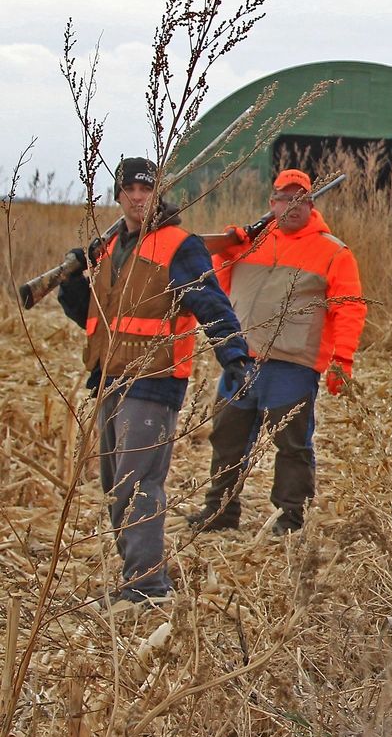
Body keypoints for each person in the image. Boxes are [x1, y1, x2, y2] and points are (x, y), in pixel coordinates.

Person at [58, 156, 249, 606]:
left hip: (155, 377)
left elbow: (211, 303)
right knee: (114, 483)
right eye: (130, 190)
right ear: (118, 194)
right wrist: (71, 289)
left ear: (159, 193)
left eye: (147, 190)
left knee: (138, 482)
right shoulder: (108, 247)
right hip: (111, 376)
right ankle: (135, 577)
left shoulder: (178, 245)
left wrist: (234, 353)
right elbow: (101, 314)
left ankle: (147, 586)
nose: (139, 198)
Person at [190, 168, 366, 535]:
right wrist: (227, 248)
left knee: (291, 444)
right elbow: (215, 287)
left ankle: (290, 519)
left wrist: (341, 360)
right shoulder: (249, 242)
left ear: (311, 205)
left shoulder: (332, 251)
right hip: (241, 359)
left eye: (301, 199)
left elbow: (349, 307)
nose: (293, 206)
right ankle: (220, 511)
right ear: (272, 204)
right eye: (286, 198)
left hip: (293, 364)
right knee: (227, 437)